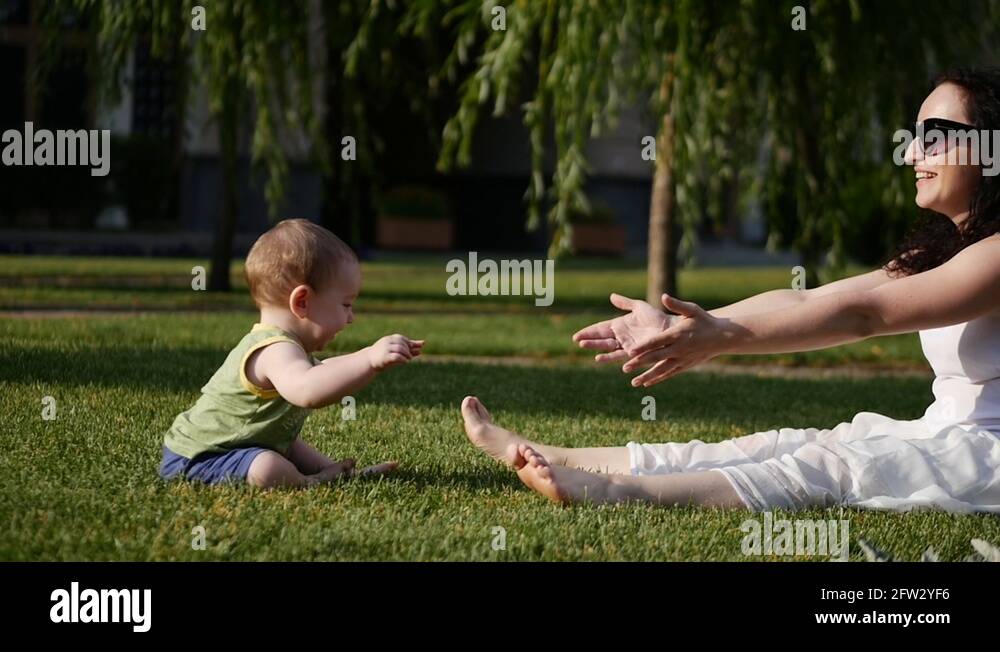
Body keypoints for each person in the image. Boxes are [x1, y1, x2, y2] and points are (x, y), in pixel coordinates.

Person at [462, 67, 1000, 514]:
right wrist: (690, 325)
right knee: (787, 443)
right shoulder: (945, 249)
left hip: (988, 455)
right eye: (913, 136)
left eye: (935, 134)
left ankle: (612, 492)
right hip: (946, 432)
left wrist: (718, 336)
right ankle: (563, 457)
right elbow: (811, 300)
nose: (912, 155)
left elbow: (866, 315)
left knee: (834, 466)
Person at [160, 218, 422, 487]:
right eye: (345, 304)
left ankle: (336, 473)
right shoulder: (274, 349)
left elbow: (323, 373)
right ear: (302, 301)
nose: (351, 317)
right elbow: (309, 389)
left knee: (282, 441)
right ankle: (312, 481)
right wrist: (368, 358)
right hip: (198, 458)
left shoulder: (292, 351)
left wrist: (371, 362)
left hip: (251, 444)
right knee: (268, 465)